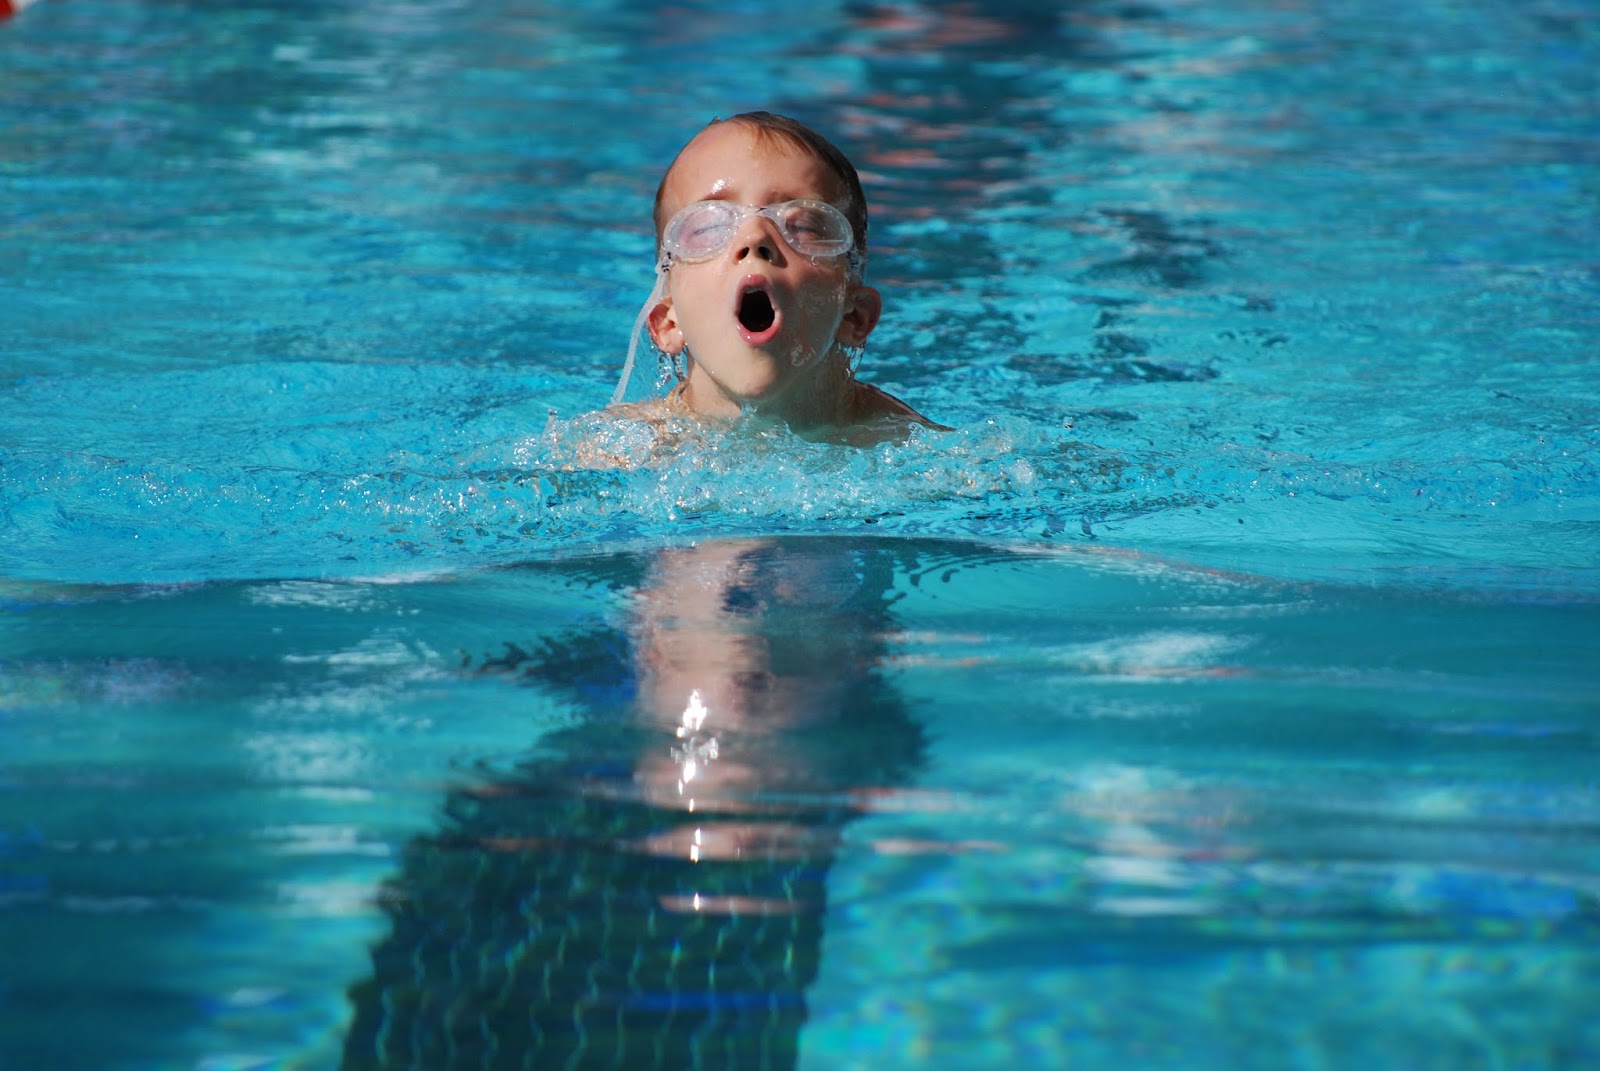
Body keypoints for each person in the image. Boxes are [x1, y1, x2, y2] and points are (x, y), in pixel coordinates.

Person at [610, 111, 947, 442]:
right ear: (668, 323)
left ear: (855, 316)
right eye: (709, 226)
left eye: (802, 225)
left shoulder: (909, 444)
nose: (755, 237)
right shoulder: (624, 448)